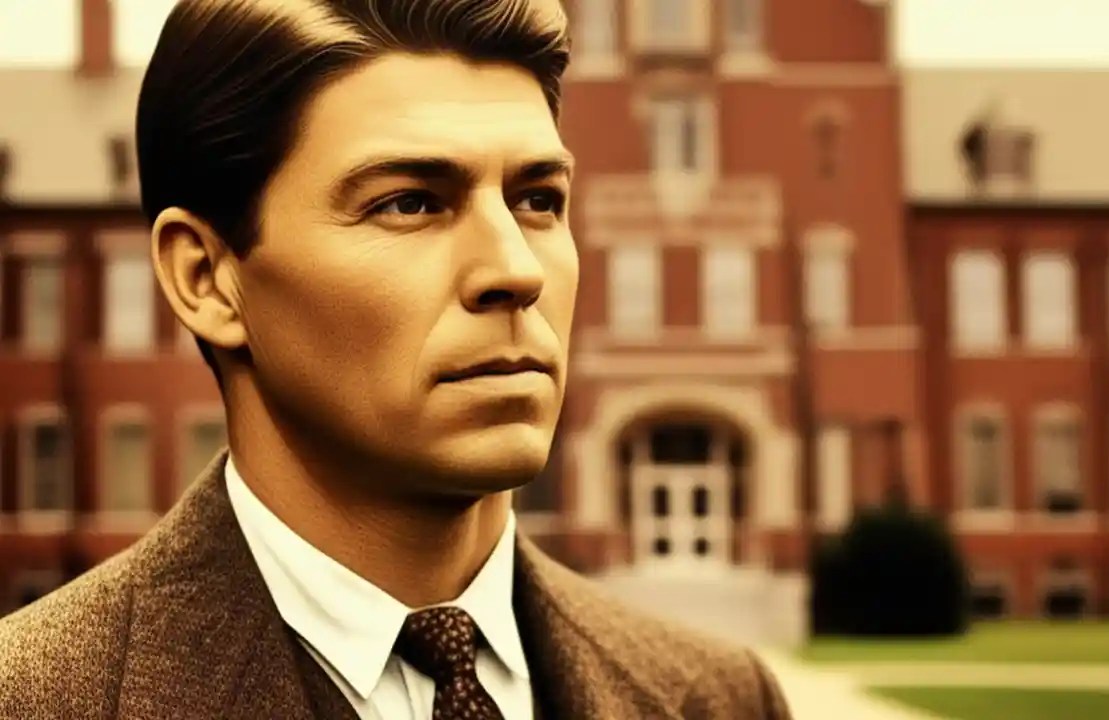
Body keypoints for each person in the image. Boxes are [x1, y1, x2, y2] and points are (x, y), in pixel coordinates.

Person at [0, 1, 793, 718]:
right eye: (410, 202)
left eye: (538, 199)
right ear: (208, 279)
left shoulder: (721, 698)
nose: (516, 270)